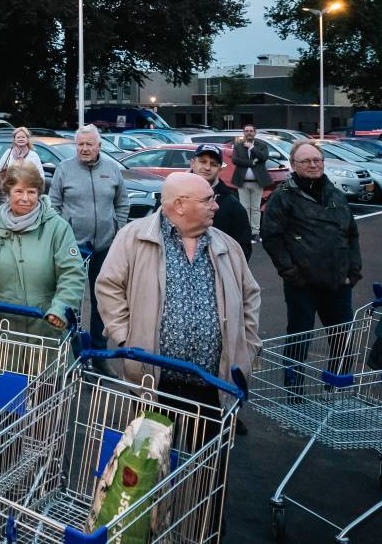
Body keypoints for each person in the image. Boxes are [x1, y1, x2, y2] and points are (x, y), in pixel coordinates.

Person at [95, 172, 261, 435]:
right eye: (207, 200)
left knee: (207, 458)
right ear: (180, 205)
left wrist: (247, 347)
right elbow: (108, 287)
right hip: (152, 380)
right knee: (151, 455)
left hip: (213, 383)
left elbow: (250, 296)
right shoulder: (133, 237)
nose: (216, 206)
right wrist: (127, 338)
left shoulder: (227, 245)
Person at [260, 140, 362, 374]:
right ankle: (294, 391)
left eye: (317, 160)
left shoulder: (336, 195)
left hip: (338, 283)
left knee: (343, 342)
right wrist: (291, 274)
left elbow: (351, 234)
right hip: (302, 286)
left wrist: (353, 271)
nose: (313, 165)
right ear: (293, 165)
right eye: (306, 161)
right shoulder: (283, 196)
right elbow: (272, 237)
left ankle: (336, 388)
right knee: (299, 341)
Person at [0, 162, 86, 338]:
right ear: (8, 192)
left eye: (31, 192)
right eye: (19, 191)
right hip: (2, 327)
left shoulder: (57, 228)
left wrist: (61, 308)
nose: (25, 198)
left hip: (45, 327)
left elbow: (71, 273)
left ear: (39, 193)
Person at [49, 124, 128, 348]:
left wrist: (117, 229)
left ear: (99, 146)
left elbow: (122, 202)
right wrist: (63, 234)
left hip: (104, 246)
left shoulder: (112, 169)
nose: (84, 148)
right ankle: (71, 349)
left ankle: (98, 350)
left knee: (101, 299)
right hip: (72, 247)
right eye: (80, 144)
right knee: (70, 298)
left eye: (89, 144)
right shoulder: (64, 169)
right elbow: (53, 205)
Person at [191, 144, 253, 260]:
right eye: (203, 162)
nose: (207, 167)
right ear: (192, 163)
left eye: (213, 164)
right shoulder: (173, 194)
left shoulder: (232, 204)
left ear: (220, 169)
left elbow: (243, 247)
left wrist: (226, 269)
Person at [231, 124, 273, 242]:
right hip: (242, 182)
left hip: (257, 182)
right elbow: (235, 160)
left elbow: (263, 157)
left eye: (251, 131)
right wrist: (251, 162)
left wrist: (252, 148)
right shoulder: (238, 146)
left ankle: (255, 233)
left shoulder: (262, 146)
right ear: (243, 133)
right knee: (244, 208)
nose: (249, 133)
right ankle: (246, 231)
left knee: (255, 208)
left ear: (255, 133)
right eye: (246, 131)